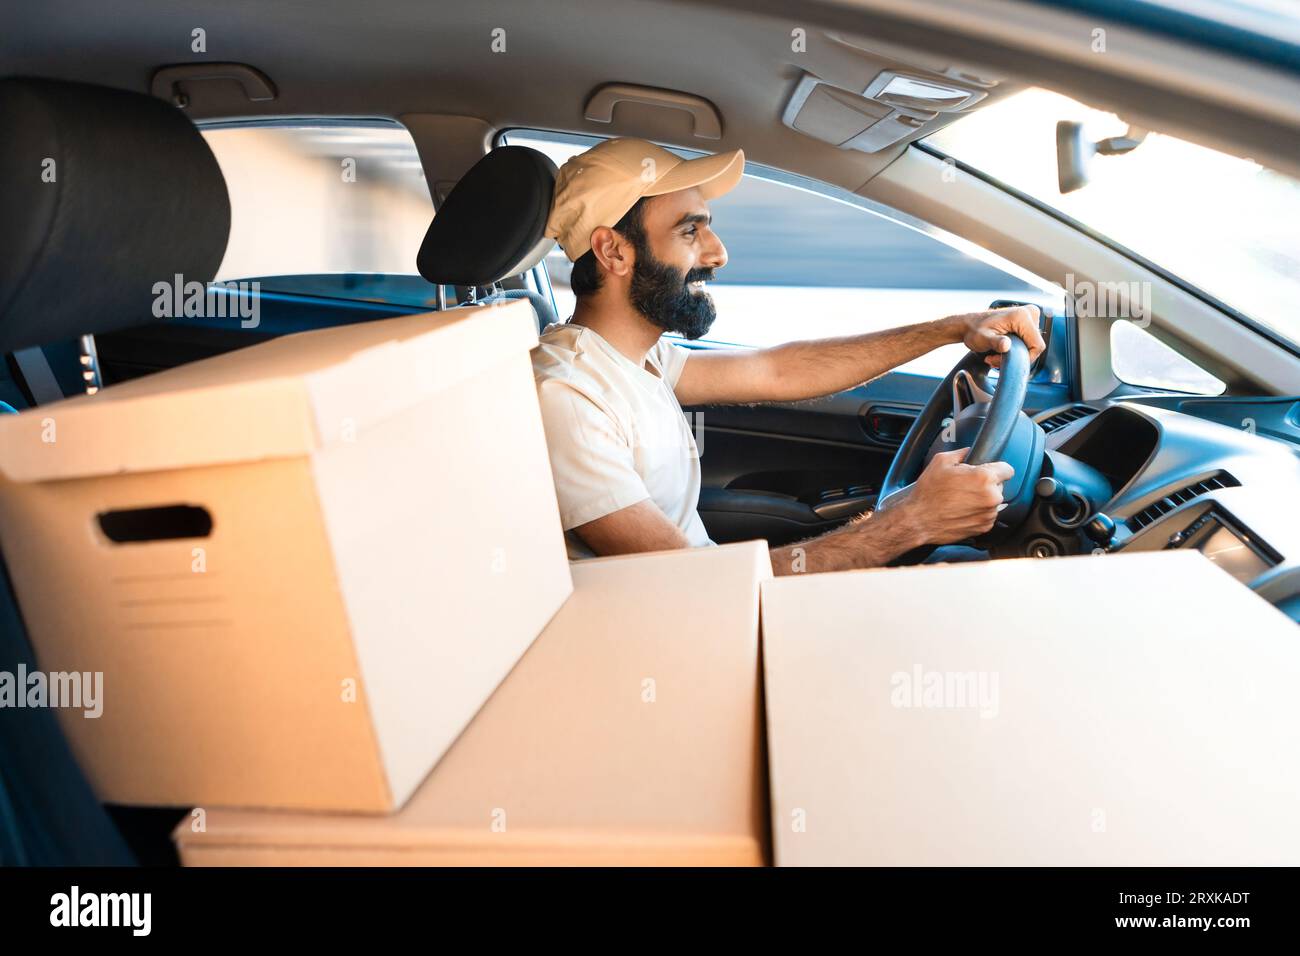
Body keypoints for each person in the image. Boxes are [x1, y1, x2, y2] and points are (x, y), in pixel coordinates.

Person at [532, 137, 1044, 574]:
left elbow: (777, 370)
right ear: (613, 251)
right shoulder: (569, 397)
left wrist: (951, 328)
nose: (718, 253)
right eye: (690, 231)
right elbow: (692, 588)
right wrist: (911, 521)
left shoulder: (635, 357)